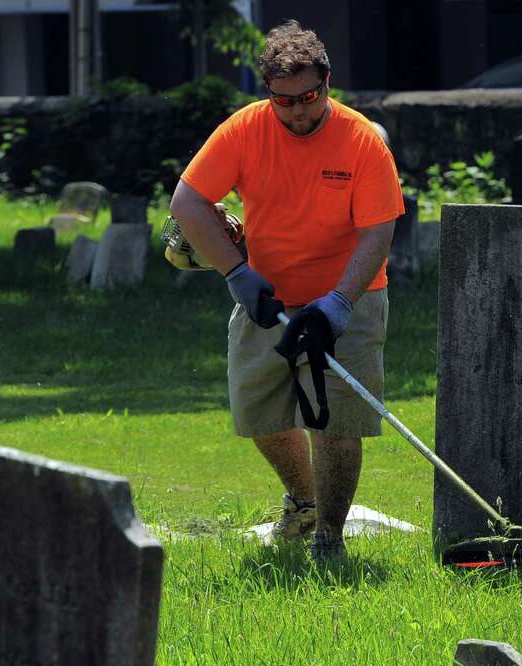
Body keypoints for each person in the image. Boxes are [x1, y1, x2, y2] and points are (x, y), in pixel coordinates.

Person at [169, 19, 403, 564]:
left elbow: (378, 232)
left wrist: (339, 304)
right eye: (285, 101)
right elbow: (188, 202)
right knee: (259, 415)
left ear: (327, 82)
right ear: (267, 94)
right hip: (267, 296)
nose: (299, 111)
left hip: (350, 294)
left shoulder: (362, 140)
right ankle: (303, 503)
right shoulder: (243, 131)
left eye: (309, 97)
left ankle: (330, 538)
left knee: (334, 422)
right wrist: (236, 274)